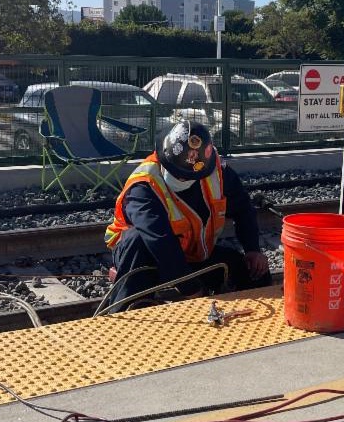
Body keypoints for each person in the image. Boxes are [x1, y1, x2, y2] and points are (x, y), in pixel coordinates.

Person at [104, 120, 271, 312]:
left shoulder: (215, 169)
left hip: (192, 254)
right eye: (177, 174)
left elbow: (243, 206)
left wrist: (253, 249)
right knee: (137, 241)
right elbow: (160, 241)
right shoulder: (144, 186)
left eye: (187, 176)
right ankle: (127, 312)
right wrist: (191, 289)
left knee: (250, 270)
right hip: (146, 259)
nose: (181, 179)